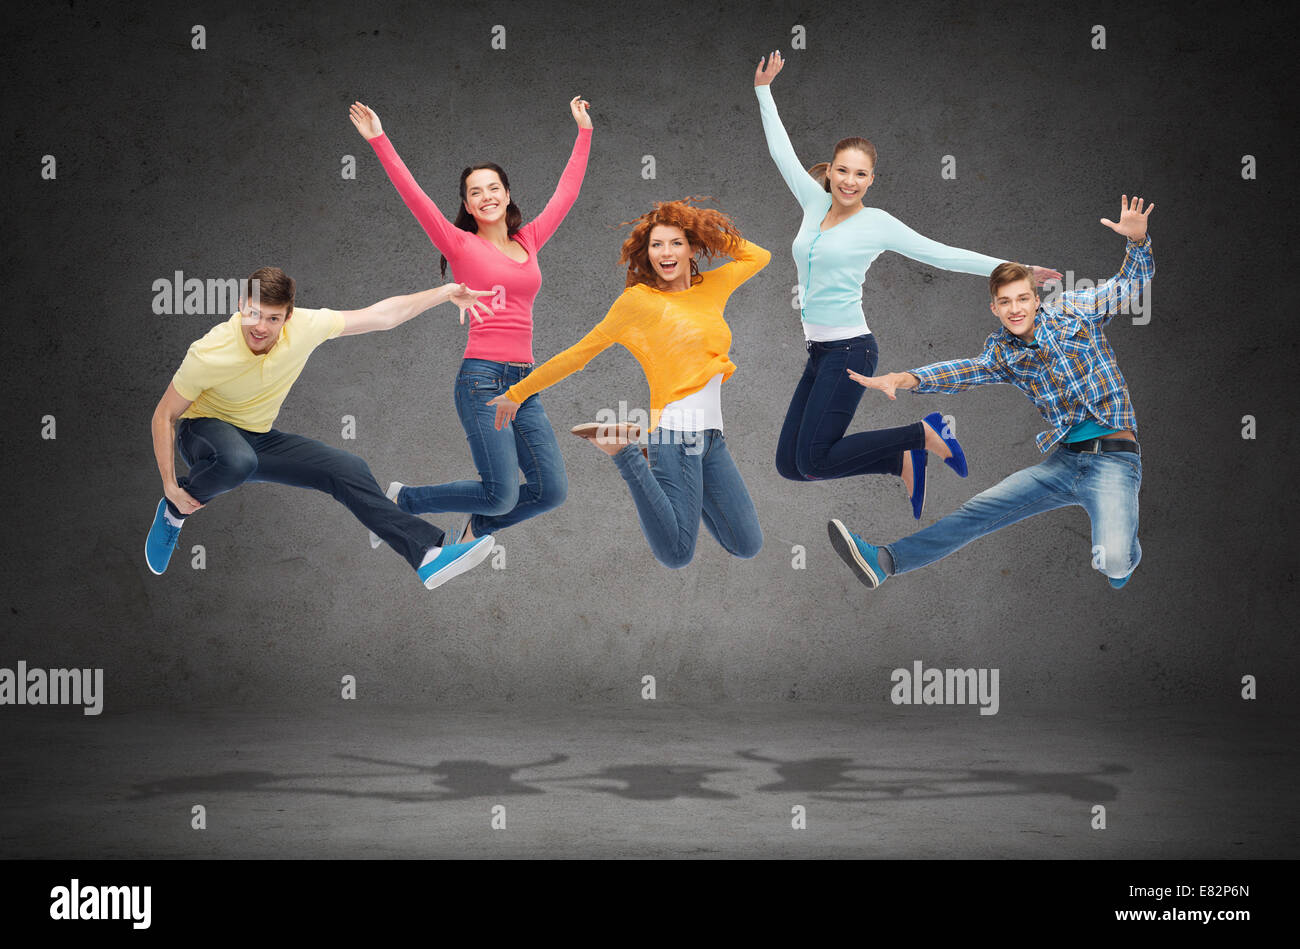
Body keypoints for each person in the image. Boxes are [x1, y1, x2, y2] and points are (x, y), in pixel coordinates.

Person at [753, 51, 1061, 519]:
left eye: (860, 174)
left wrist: (1014, 267)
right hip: (818, 353)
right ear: (831, 171)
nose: (849, 181)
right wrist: (763, 91)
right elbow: (782, 152)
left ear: (871, 180)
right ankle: (900, 459)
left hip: (850, 351)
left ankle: (920, 434)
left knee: (814, 458)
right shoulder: (813, 203)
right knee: (791, 467)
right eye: (842, 170)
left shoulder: (877, 224)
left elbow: (941, 254)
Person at [828, 196, 1155, 590]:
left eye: (1022, 299)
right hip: (1066, 463)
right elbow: (964, 371)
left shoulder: (1073, 310)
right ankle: (885, 561)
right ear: (994, 309)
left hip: (1115, 462)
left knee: (1114, 563)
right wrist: (904, 378)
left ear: (1036, 299)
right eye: (1005, 302)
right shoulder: (1003, 353)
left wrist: (1137, 241)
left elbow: (1129, 286)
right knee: (978, 511)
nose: (1015, 309)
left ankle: (1124, 561)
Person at [145, 267, 497, 590]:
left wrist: (446, 291)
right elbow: (164, 417)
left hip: (257, 437)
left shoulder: (305, 326)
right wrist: (170, 486)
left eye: (273, 318)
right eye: (252, 313)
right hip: (203, 431)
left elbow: (382, 316)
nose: (260, 327)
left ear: (288, 317)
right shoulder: (209, 352)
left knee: (348, 469)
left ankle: (426, 556)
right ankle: (174, 513)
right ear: (241, 305)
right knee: (238, 461)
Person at [349, 96, 592, 548]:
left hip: (524, 383)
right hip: (481, 380)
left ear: (506, 193)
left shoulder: (530, 239)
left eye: (493, 187)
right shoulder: (459, 244)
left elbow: (567, 194)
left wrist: (584, 132)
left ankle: (476, 530)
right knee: (499, 495)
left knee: (551, 491)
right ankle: (402, 502)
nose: (486, 197)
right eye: (475, 192)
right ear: (466, 203)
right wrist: (379, 139)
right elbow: (413, 196)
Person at [485, 199, 769, 569]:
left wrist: (697, 226)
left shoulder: (711, 287)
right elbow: (578, 353)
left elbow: (758, 256)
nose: (665, 252)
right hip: (675, 436)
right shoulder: (637, 303)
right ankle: (624, 451)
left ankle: (656, 468)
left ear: (691, 248)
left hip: (712, 439)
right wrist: (516, 393)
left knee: (746, 544)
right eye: (656, 245)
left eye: (676, 243)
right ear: (646, 253)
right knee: (676, 554)